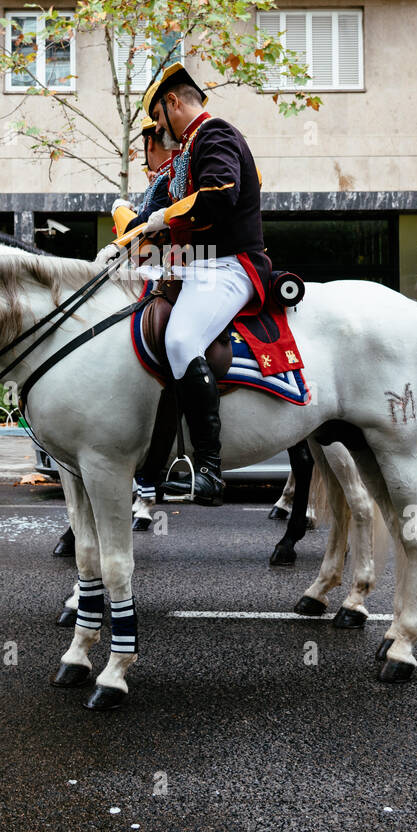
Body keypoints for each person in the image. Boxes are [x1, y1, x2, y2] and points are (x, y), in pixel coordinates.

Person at [140, 62, 270, 505]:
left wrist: (165, 217)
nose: (160, 127)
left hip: (229, 265)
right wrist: (136, 231)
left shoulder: (215, 135)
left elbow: (218, 196)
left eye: (159, 117)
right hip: (196, 264)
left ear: (173, 101)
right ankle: (152, 464)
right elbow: (169, 217)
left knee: (179, 340)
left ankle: (210, 469)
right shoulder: (189, 147)